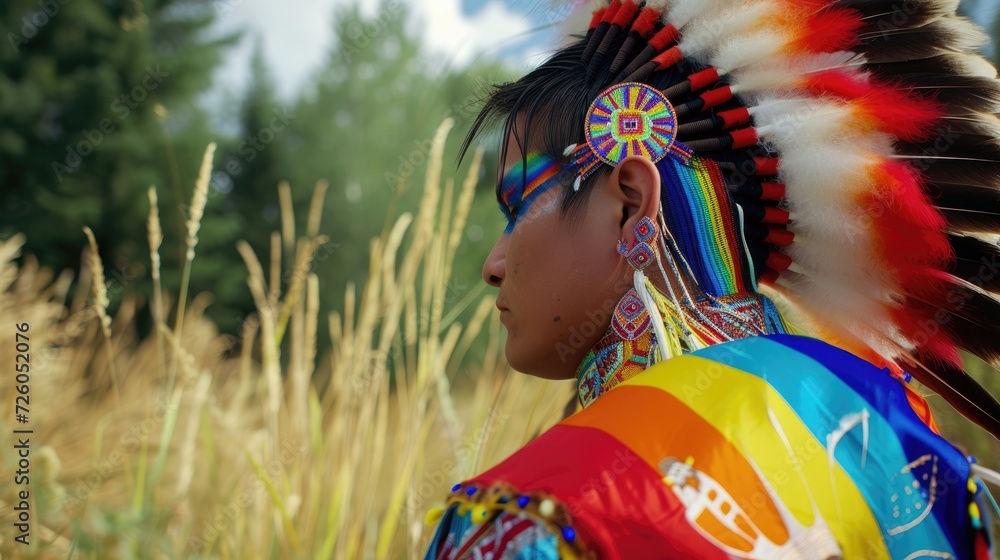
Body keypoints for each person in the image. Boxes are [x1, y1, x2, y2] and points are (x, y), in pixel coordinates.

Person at [423, 0, 1000, 557]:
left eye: (517, 208)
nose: (492, 266)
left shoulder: (531, 519)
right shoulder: (893, 433)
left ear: (629, 202)